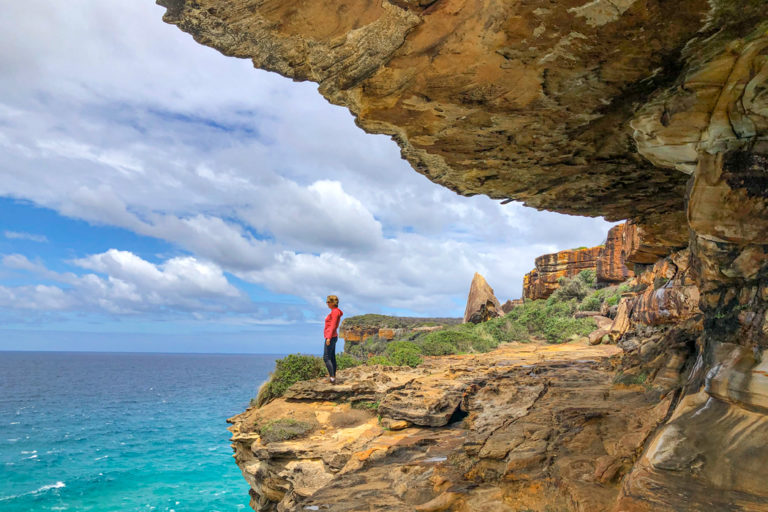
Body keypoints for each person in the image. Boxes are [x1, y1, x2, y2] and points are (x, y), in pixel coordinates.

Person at [323, 294, 343, 384]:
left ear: (332, 303)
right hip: (333, 336)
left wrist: (328, 338)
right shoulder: (335, 311)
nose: (326, 303)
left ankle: (332, 378)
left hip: (330, 336)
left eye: (328, 302)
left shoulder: (335, 312)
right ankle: (333, 376)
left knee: (326, 358)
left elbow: (333, 325)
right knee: (332, 357)